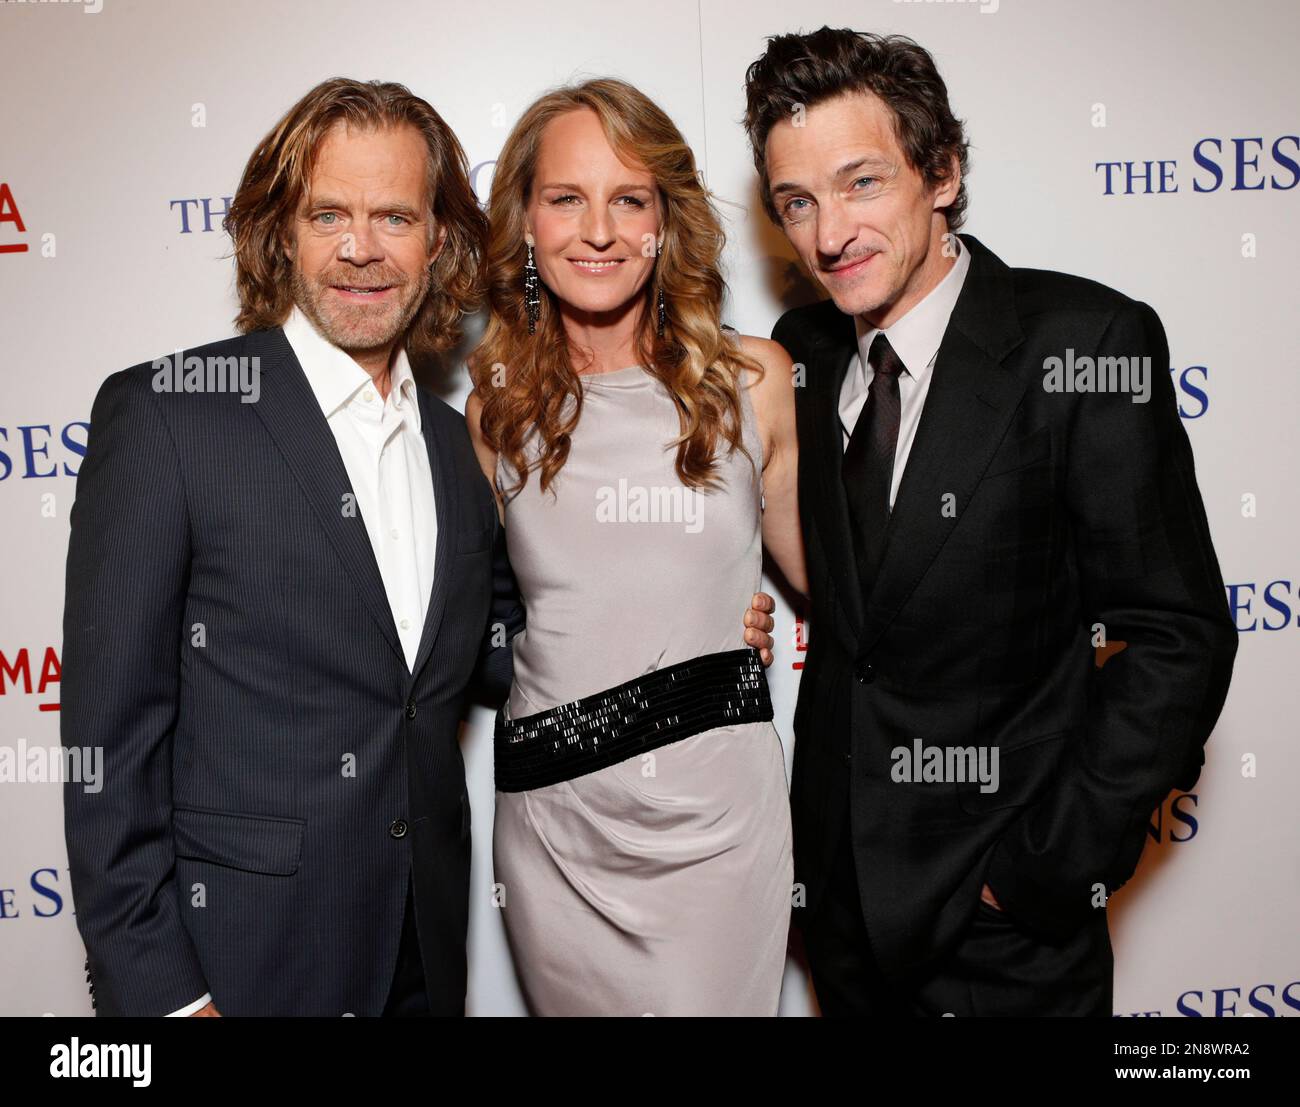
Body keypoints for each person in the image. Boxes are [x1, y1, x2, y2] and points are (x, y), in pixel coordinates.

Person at [61, 75, 779, 1017]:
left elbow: (504, 639)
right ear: (282, 232)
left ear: (439, 241)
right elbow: (106, 750)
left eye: (395, 217)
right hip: (242, 962)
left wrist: (697, 631)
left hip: (424, 950)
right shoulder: (170, 415)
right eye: (329, 215)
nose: (362, 249)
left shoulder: (457, 443)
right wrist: (163, 998)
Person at [743, 28, 1237, 1016]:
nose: (827, 233)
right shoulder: (798, 352)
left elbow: (1175, 636)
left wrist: (1038, 872)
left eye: (861, 184)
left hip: (1006, 930)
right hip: (838, 911)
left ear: (942, 173)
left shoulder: (1084, 343)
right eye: (796, 201)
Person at [465, 78, 805, 1015]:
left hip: (713, 818)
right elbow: (481, 611)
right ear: (527, 224)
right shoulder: (496, 407)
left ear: (667, 220)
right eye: (566, 198)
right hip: (552, 818)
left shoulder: (751, 380)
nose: (599, 230)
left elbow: (847, 590)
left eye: (630, 199)